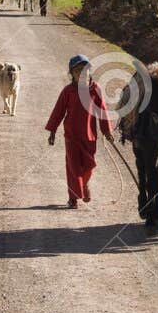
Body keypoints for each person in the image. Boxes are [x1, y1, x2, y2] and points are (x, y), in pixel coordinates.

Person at [44, 54, 106, 208]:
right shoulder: (68, 91)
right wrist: (52, 131)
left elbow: (103, 112)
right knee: (73, 167)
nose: (82, 73)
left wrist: (107, 131)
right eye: (78, 71)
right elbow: (58, 111)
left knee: (89, 165)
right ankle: (73, 198)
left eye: (85, 70)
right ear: (72, 74)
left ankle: (83, 185)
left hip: (90, 136)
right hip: (71, 135)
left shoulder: (95, 89)